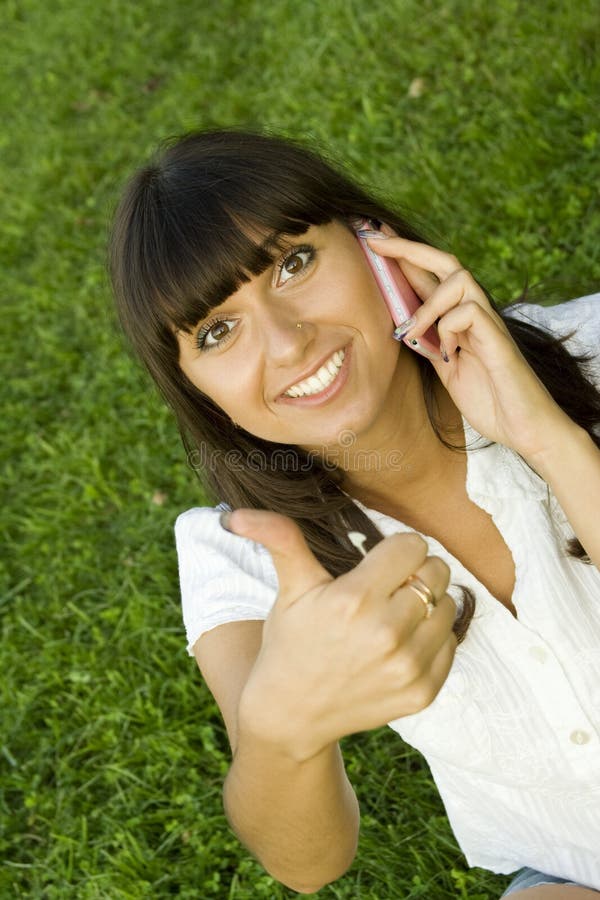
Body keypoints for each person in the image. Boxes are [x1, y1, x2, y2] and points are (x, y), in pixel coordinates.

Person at [110, 129, 600, 897]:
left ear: (377, 245)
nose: (286, 343)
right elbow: (306, 864)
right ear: (197, 388)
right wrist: (283, 728)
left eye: (293, 263)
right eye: (217, 332)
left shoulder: (591, 345)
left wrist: (553, 442)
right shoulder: (240, 553)